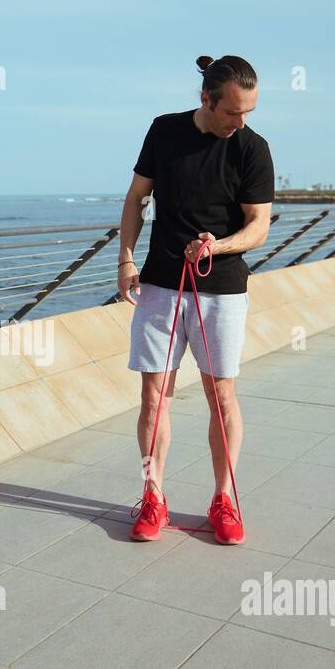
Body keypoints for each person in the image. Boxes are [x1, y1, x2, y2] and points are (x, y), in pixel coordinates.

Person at [117, 54, 274, 545]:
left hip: (222, 289)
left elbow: (258, 226)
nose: (240, 121)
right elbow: (136, 199)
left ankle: (224, 499)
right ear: (206, 99)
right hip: (162, 285)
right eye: (233, 111)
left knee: (220, 395)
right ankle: (153, 495)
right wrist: (126, 260)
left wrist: (218, 244)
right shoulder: (164, 131)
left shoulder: (252, 148)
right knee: (152, 396)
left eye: (248, 111)